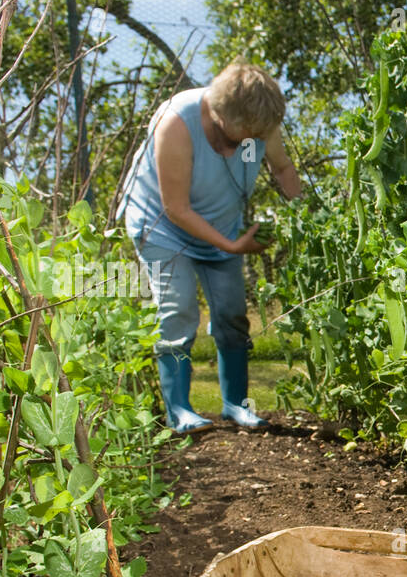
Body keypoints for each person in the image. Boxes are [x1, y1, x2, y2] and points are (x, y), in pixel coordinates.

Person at [119, 62, 301, 432]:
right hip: (163, 227)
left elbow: (283, 170)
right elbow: (176, 208)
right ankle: (180, 411)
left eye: (256, 137)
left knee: (233, 315)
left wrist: (303, 214)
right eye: (241, 136)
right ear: (219, 113)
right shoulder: (177, 122)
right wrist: (233, 246)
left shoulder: (259, 126)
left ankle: (236, 405)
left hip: (220, 226)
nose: (247, 143)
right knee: (178, 310)